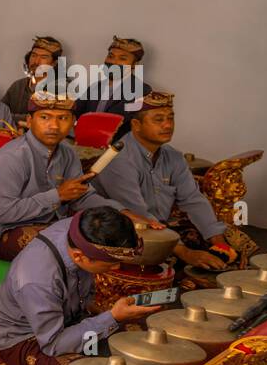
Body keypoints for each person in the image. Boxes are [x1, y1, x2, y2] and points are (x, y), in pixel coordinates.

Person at [0, 208, 159, 365]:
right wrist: (112, 317)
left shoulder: (80, 228)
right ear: (79, 256)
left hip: (75, 320)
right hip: (32, 341)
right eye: (110, 264)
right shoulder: (37, 280)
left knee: (141, 342)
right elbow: (54, 344)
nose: (116, 268)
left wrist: (102, 313)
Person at [92, 90, 233, 271]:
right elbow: (139, 213)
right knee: (168, 261)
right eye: (158, 120)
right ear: (136, 125)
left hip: (161, 225)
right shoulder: (118, 159)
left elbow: (192, 199)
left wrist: (218, 242)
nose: (167, 125)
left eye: (171, 118)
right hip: (127, 228)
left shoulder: (173, 156)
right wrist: (186, 253)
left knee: (233, 242)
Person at [0, 92, 125, 260]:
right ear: (29, 121)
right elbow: (5, 213)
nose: (54, 126)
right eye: (45, 117)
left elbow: (81, 196)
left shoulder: (68, 153)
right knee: (68, 248)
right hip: (6, 232)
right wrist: (58, 195)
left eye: (62, 118)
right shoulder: (11, 157)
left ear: (72, 123)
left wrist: (121, 211)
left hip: (52, 224)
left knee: (109, 236)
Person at [74, 36, 151, 128]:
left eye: (122, 58)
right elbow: (75, 110)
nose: (114, 62)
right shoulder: (96, 86)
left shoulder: (142, 90)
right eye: (111, 56)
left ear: (134, 65)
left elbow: (115, 120)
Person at [0, 36, 62, 119]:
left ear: (54, 63)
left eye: (43, 57)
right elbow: (0, 114)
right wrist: (24, 120)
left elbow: (46, 120)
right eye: (33, 55)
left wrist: (18, 120)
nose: (36, 61)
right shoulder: (17, 86)